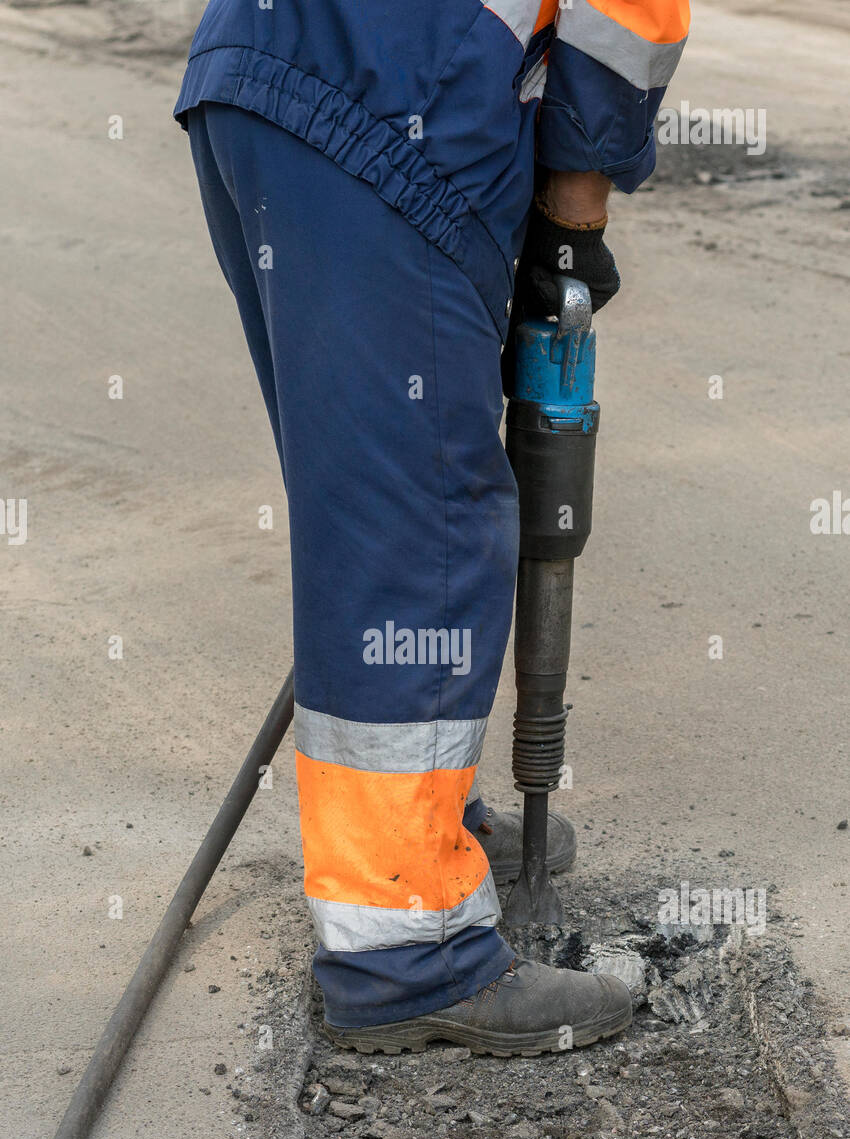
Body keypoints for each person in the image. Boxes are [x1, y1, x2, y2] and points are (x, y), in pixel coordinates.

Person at [174, 0, 689, 1054]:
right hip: (393, 94)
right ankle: (406, 943)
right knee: (421, 524)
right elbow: (620, 18)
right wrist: (573, 210)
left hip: (274, 74)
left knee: (372, 503)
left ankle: (423, 827)